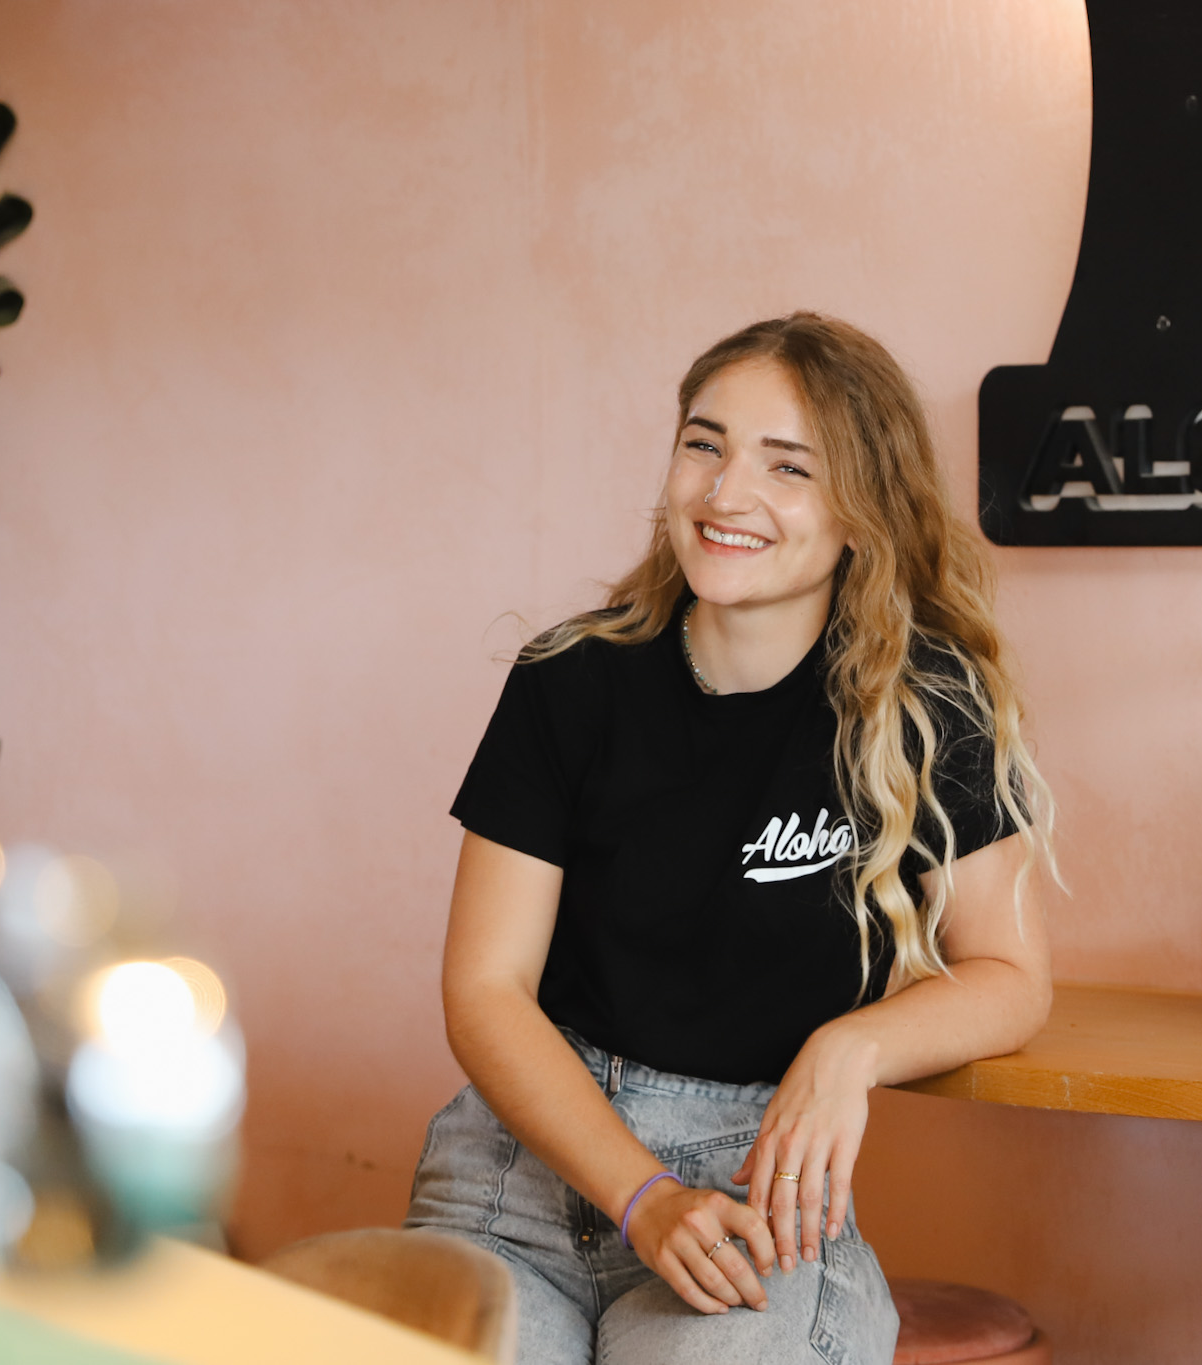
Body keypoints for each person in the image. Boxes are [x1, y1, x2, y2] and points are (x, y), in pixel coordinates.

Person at [404, 314, 1056, 1365]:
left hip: (752, 1198)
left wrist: (850, 1048)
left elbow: (1010, 975)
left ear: (860, 511)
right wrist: (643, 1199)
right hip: (516, 1180)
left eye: (786, 466)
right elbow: (484, 991)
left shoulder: (929, 709)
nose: (724, 493)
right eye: (703, 444)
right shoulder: (566, 681)